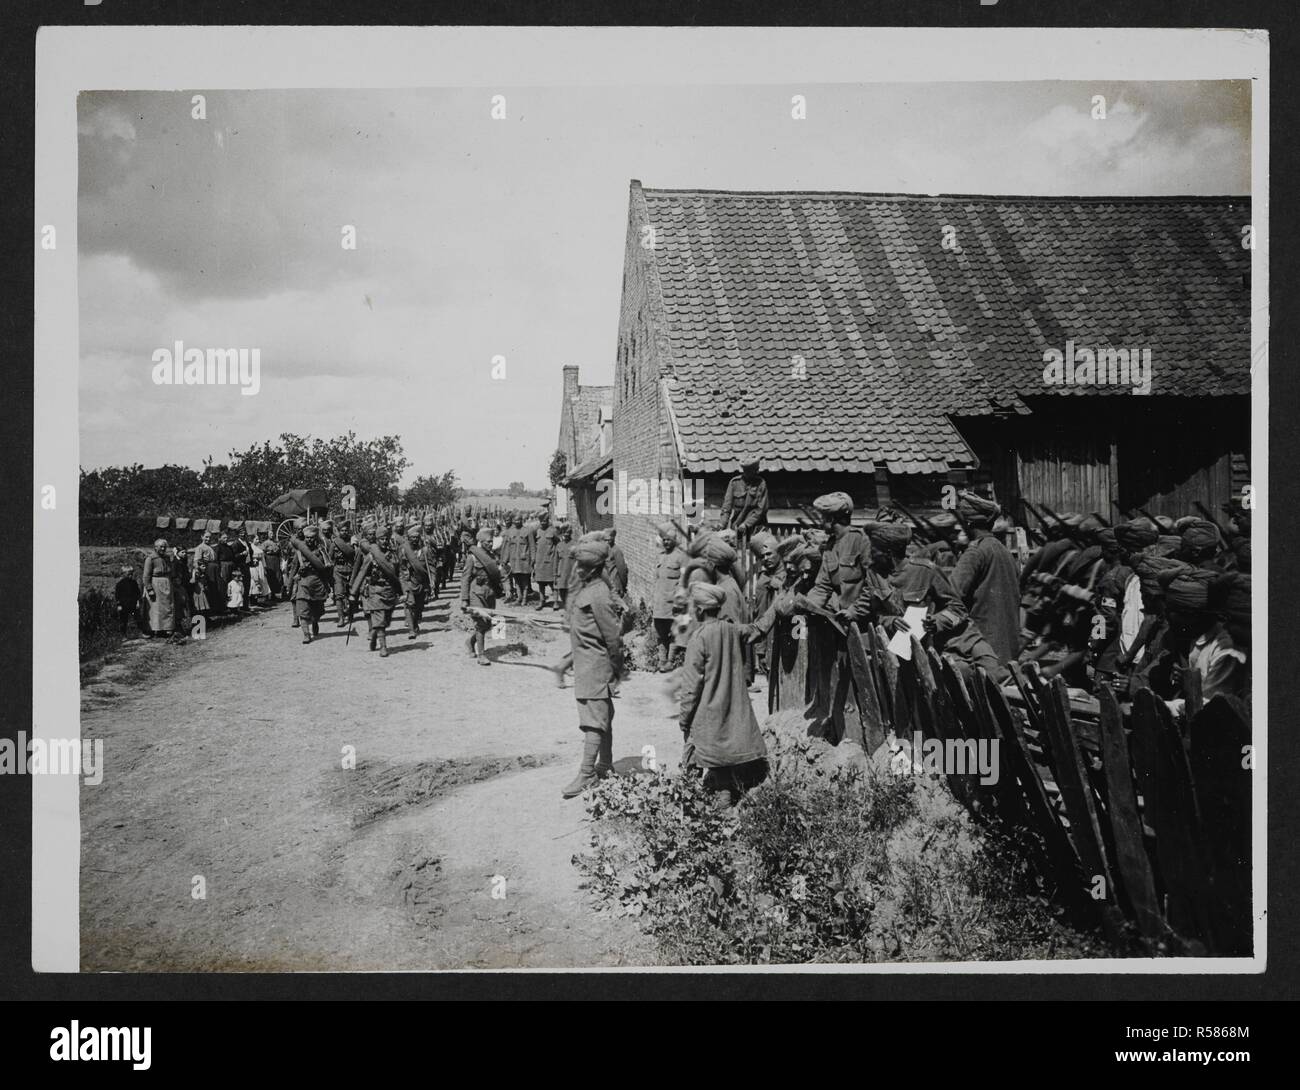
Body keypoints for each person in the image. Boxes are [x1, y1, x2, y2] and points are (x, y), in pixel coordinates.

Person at [679, 581, 769, 807]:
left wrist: (684, 718)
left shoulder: (698, 639)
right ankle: (721, 795)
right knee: (724, 747)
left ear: (699, 609)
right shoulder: (731, 630)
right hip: (730, 706)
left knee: (695, 748)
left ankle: (695, 799)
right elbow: (753, 630)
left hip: (707, 710)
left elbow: (691, 687)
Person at [561, 536, 626, 799]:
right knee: (603, 717)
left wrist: (616, 669)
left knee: (593, 721)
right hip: (588, 664)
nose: (577, 570)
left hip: (595, 667)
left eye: (582, 567)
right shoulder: (590, 589)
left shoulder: (598, 594)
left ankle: (587, 774)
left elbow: (613, 638)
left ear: (594, 568)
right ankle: (605, 765)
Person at [949, 490, 1021, 663]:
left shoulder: (975, 552)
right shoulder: (1004, 551)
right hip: (1008, 646)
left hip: (984, 647)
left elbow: (951, 595)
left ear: (967, 523)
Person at [354, 522, 401, 656]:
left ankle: (374, 634)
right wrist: (353, 593)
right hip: (375, 590)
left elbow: (398, 573)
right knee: (380, 620)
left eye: (386, 539)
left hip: (389, 591)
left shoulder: (393, 555)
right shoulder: (371, 556)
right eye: (381, 539)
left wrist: (402, 590)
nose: (384, 541)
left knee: (386, 620)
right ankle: (383, 647)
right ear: (376, 540)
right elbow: (361, 573)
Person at [460, 527, 502, 665]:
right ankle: (481, 655)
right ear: (481, 542)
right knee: (481, 623)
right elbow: (465, 578)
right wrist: (464, 599)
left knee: (489, 623)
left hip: (489, 593)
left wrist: (505, 589)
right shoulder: (472, 557)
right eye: (488, 542)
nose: (490, 544)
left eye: (491, 541)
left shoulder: (492, 557)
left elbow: (499, 575)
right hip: (476, 594)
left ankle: (470, 642)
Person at [650, 521, 688, 672]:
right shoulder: (660, 557)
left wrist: (678, 600)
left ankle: (670, 661)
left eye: (668, 539)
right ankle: (662, 660)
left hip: (673, 602)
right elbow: (657, 580)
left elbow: (684, 580)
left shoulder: (681, 557)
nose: (666, 542)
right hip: (660, 602)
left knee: (674, 632)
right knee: (660, 632)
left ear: (674, 540)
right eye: (664, 539)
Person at [290, 523, 333, 645]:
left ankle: (315, 621)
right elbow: (294, 567)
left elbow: (328, 567)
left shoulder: (321, 550)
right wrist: (289, 583)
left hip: (317, 583)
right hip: (303, 583)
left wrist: (329, 583)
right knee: (302, 610)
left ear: (315, 538)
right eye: (307, 537)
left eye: (311, 537)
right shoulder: (300, 551)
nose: (309, 540)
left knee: (317, 610)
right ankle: (306, 635)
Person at [719, 455, 769, 534]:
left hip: (757, 528)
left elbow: (761, 509)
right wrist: (722, 523)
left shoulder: (761, 483)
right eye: (747, 470)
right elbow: (726, 507)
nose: (748, 473)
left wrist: (747, 524)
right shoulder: (734, 483)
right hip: (737, 527)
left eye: (753, 470)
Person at [141, 539, 179, 640]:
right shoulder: (150, 559)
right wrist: (149, 589)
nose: (163, 549)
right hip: (155, 585)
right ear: (155, 547)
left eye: (164, 547)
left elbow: (171, 571)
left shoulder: (167, 558)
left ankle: (166, 629)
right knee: (155, 609)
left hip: (167, 583)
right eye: (161, 547)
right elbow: (146, 576)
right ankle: (153, 630)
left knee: (167, 607)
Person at [321, 520, 356, 626]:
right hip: (338, 571)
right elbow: (330, 558)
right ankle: (340, 618)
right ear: (339, 532)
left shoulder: (353, 542)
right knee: (339, 595)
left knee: (351, 594)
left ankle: (350, 614)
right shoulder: (334, 543)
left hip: (350, 570)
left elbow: (357, 557)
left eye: (346, 530)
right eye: (342, 531)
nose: (345, 532)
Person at [399, 521, 431, 639]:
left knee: (419, 607)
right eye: (412, 537)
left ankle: (415, 623)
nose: (415, 540)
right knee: (409, 604)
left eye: (417, 537)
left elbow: (429, 567)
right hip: (408, 581)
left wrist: (430, 583)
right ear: (408, 538)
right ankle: (411, 630)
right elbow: (399, 567)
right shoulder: (403, 550)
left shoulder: (424, 550)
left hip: (421, 582)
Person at [533, 511, 561, 610]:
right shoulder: (538, 531)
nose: (543, 523)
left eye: (544, 521)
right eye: (541, 522)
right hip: (540, 561)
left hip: (550, 561)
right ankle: (542, 601)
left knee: (553, 583)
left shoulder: (553, 531)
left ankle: (556, 602)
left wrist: (557, 557)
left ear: (547, 520)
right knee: (540, 583)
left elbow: (558, 543)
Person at [191, 531, 216, 616]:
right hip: (206, 568)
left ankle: (211, 610)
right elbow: (197, 561)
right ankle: (205, 613)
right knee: (206, 590)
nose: (208, 539)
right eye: (206, 537)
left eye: (209, 537)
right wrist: (199, 571)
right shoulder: (200, 547)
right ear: (202, 537)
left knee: (212, 589)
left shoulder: (210, 547)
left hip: (212, 568)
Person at [113, 565, 142, 636]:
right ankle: (123, 634)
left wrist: (138, 602)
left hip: (133, 603)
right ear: (124, 574)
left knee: (138, 618)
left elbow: (137, 593)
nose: (130, 575)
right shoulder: (120, 584)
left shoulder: (134, 583)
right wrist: (119, 605)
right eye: (128, 574)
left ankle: (141, 632)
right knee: (123, 620)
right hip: (124, 605)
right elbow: (117, 596)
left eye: (131, 573)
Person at [215, 530, 237, 614]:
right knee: (224, 586)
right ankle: (223, 607)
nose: (226, 539)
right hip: (223, 566)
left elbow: (233, 557)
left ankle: (233, 606)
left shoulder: (229, 547)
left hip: (231, 565)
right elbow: (217, 560)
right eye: (224, 538)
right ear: (219, 538)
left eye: (226, 538)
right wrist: (219, 570)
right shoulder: (218, 547)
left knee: (232, 585)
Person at [248, 532, 272, 605]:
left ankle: (261, 599)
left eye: (258, 539)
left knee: (262, 579)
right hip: (254, 566)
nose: (258, 541)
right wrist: (253, 561)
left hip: (260, 565)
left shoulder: (259, 547)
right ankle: (253, 599)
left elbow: (263, 558)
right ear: (252, 540)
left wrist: (264, 567)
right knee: (254, 580)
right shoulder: (250, 547)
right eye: (256, 539)